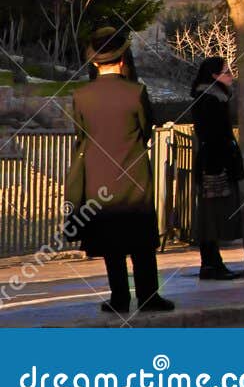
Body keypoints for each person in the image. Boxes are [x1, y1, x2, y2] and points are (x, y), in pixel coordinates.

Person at [66, 27, 174, 315]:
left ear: (95, 62)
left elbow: (81, 135)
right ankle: (149, 296)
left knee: (111, 241)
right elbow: (146, 130)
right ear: (123, 59)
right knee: (140, 241)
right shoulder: (136, 92)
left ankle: (119, 299)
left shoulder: (81, 95)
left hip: (98, 175)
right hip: (134, 173)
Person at [189, 57, 244, 280]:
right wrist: (222, 161)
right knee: (211, 215)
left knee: (212, 214)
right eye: (225, 71)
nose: (230, 74)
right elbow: (213, 135)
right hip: (214, 164)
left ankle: (212, 262)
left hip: (214, 161)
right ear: (213, 75)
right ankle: (211, 264)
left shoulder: (215, 98)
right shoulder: (209, 100)